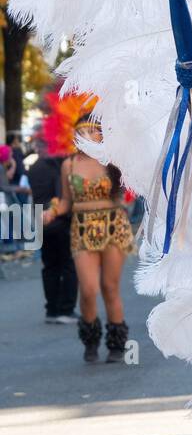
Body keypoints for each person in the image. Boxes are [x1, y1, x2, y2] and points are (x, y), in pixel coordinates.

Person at [41, 96, 136, 360]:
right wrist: (50, 213)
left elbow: (131, 189)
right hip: (82, 228)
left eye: (93, 130)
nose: (87, 134)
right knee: (89, 288)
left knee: (109, 287)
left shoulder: (112, 161)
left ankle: (117, 345)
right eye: (81, 131)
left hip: (113, 226)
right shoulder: (69, 164)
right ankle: (91, 340)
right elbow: (65, 203)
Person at [28, 149, 79, 323]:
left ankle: (52, 310)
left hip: (40, 219)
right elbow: (62, 195)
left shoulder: (35, 166)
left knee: (49, 266)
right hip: (59, 219)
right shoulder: (59, 165)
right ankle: (66, 309)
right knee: (68, 265)